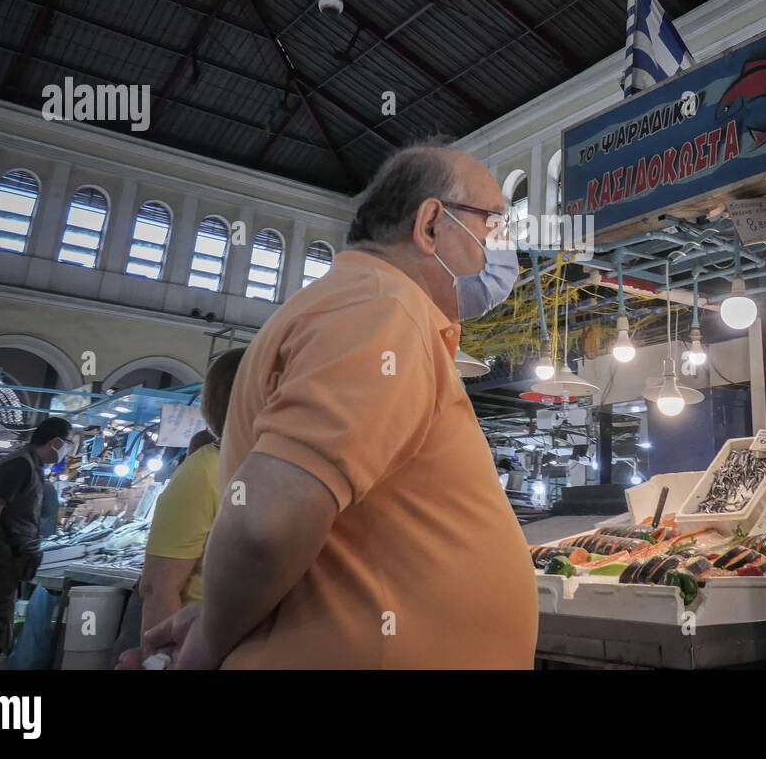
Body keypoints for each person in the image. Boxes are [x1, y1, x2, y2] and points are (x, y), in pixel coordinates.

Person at [146, 145, 538, 669]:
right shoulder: (381, 307)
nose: (502, 245)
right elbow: (268, 524)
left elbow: (307, 537)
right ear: (429, 225)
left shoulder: (366, 306)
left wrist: (227, 620)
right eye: (493, 223)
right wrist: (210, 642)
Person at [137, 349, 245, 637]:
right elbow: (158, 588)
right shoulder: (204, 472)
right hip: (199, 643)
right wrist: (166, 656)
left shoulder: (256, 469)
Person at [0, 416, 71, 669]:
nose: (68, 451)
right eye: (68, 444)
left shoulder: (29, 465)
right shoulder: (20, 466)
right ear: (56, 442)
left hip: (0, 564)